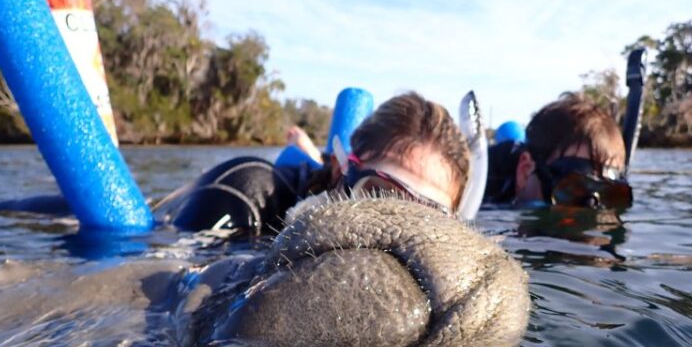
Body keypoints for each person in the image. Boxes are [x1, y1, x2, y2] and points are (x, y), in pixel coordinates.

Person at [156, 91, 469, 233]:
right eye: (380, 196)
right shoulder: (247, 195)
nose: (396, 234)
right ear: (341, 170)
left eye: (429, 221)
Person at [484, 94, 633, 211]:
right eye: (573, 188)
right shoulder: (481, 197)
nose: (593, 207)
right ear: (525, 170)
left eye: (611, 195)